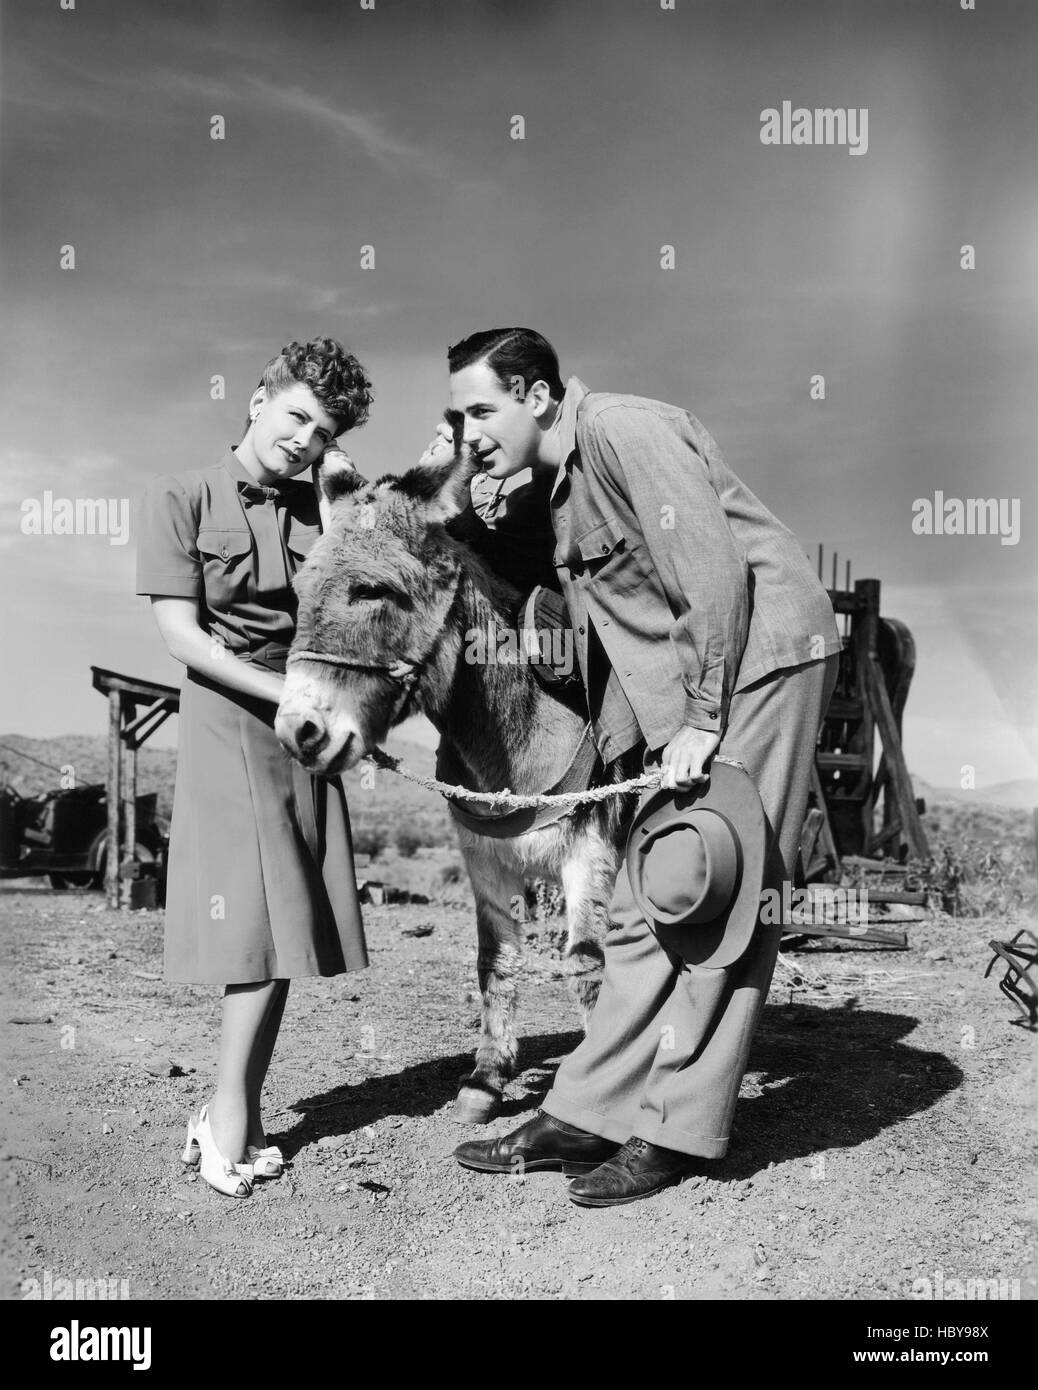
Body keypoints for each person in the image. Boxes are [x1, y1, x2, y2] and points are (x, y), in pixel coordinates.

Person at [437, 327, 842, 1207]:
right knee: (635, 903)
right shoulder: (552, 486)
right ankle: (587, 1110)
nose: (468, 431)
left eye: (482, 409)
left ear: (539, 396)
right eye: (457, 415)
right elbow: (615, 628)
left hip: (763, 658)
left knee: (712, 896)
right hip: (700, 680)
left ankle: (678, 1131)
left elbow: (711, 569)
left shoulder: (623, 429)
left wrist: (701, 719)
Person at [135, 337, 372, 1198]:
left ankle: (236, 1107)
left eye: (326, 430)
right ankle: (227, 1115)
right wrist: (282, 694)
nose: (306, 438)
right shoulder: (179, 493)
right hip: (227, 721)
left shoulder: (325, 511)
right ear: (259, 396)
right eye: (298, 414)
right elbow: (181, 637)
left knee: (288, 924)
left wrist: (341, 484)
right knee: (255, 924)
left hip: (303, 731)